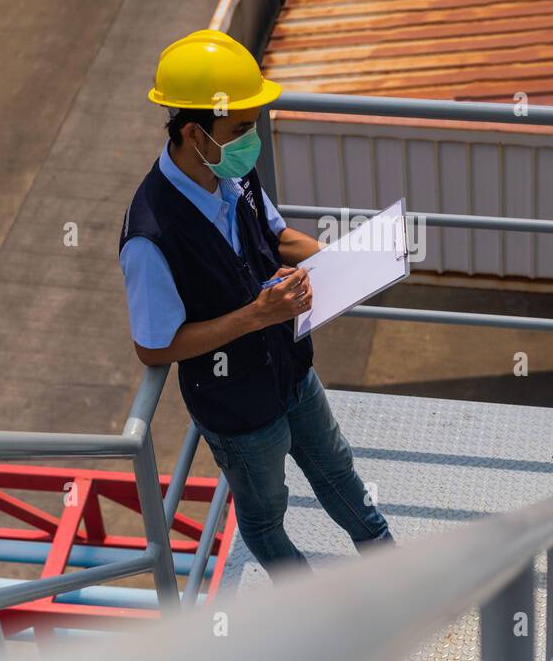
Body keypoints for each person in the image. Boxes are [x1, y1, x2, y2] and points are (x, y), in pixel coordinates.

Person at [119, 29, 393, 577]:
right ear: (195, 133)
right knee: (267, 516)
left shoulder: (231, 170)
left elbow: (276, 236)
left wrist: (352, 263)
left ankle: (390, 565)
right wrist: (257, 316)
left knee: (338, 470)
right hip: (237, 408)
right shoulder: (151, 235)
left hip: (290, 369)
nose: (253, 140)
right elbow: (154, 349)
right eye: (241, 129)